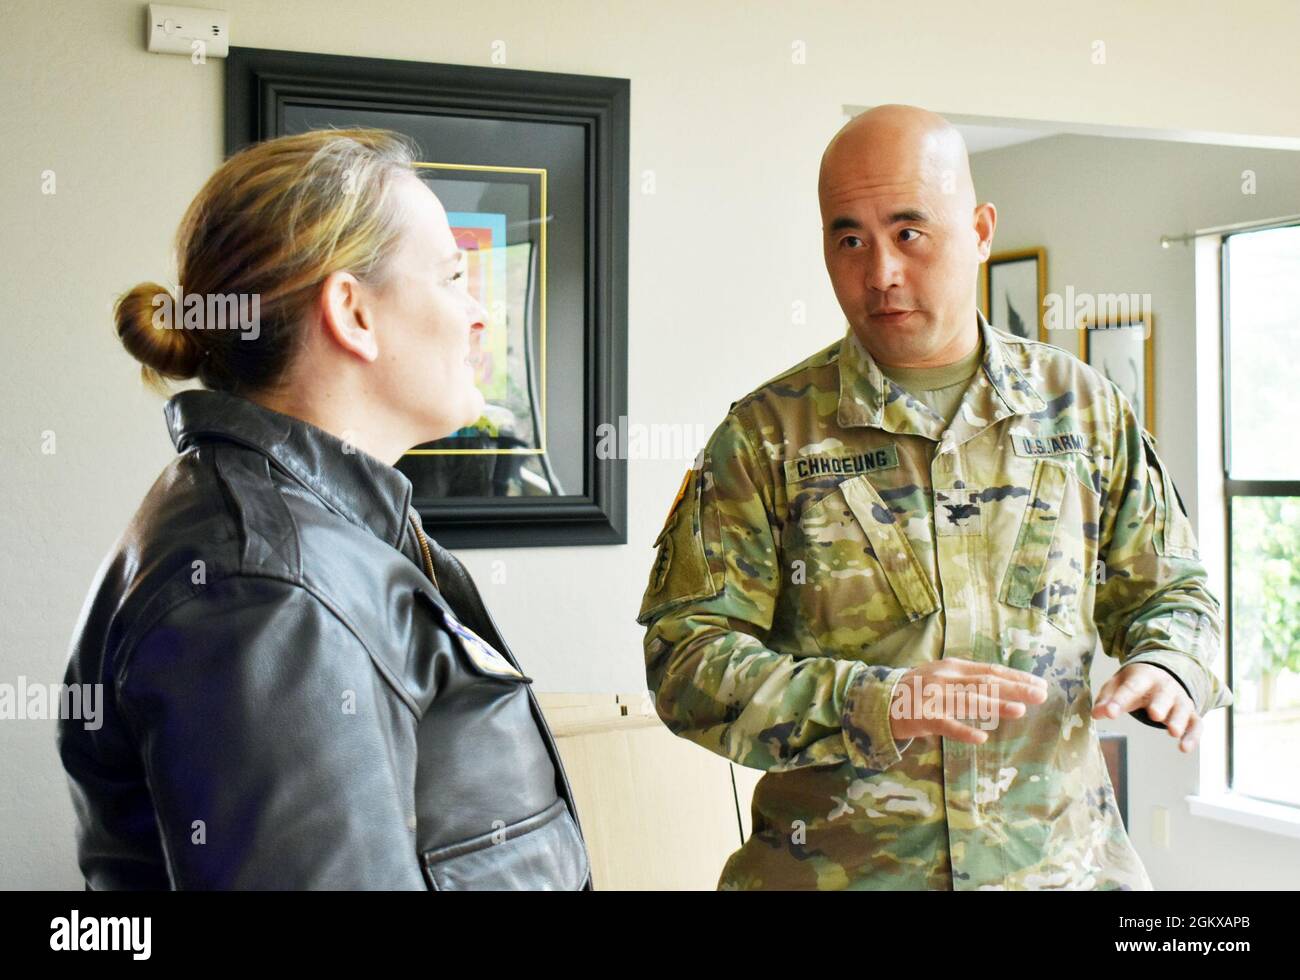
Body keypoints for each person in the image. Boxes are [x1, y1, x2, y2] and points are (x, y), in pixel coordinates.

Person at [637, 104, 1232, 891]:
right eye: (848, 237)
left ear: (981, 230)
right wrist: (874, 703)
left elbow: (1176, 592)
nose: (880, 271)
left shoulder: (1083, 410)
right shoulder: (765, 437)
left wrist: (1172, 663)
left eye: (910, 232)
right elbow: (687, 661)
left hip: (1061, 872)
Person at [57, 128, 591, 890]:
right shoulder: (267, 590)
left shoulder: (313, 533)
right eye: (450, 278)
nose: (479, 315)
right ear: (352, 312)